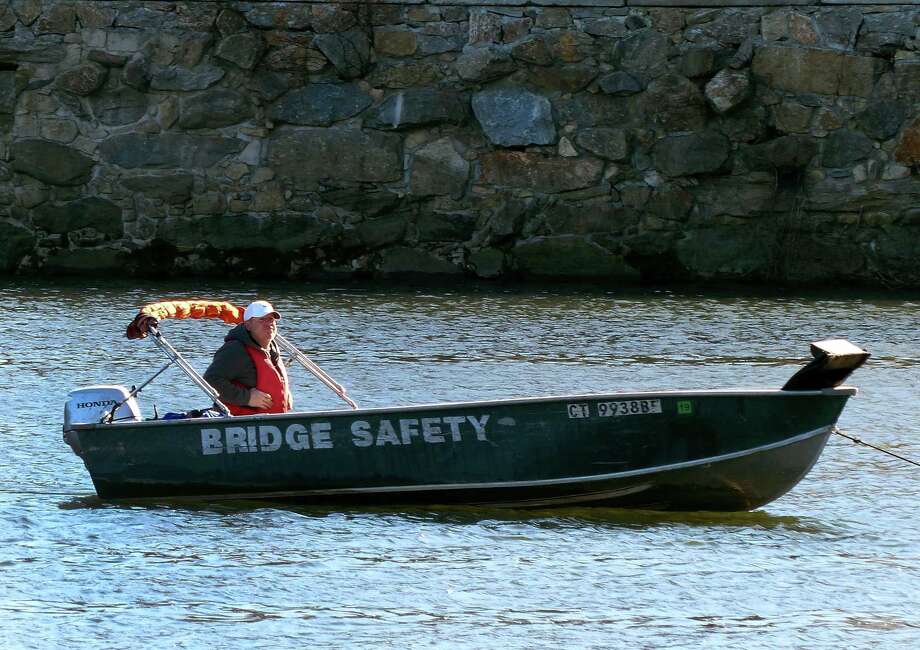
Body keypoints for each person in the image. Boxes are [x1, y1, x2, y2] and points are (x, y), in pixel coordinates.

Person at [204, 300, 293, 415]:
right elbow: (211, 380)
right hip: (239, 423)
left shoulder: (272, 347)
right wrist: (247, 398)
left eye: (271, 319)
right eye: (262, 319)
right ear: (248, 325)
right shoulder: (235, 349)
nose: (269, 324)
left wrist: (286, 394)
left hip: (272, 422)